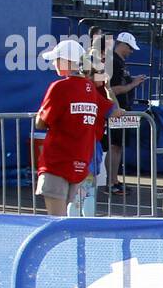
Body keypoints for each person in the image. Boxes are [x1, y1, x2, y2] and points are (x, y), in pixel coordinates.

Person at [34, 39, 114, 216]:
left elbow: (41, 123)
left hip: (57, 161)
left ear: (66, 61)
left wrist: (40, 115)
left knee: (57, 221)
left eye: (57, 59)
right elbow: (112, 109)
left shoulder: (59, 87)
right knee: (69, 216)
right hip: (79, 163)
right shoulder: (90, 88)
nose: (54, 63)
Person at [104, 32, 144, 194]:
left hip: (121, 110)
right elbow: (110, 89)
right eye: (130, 48)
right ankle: (111, 181)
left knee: (118, 146)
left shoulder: (118, 62)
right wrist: (132, 84)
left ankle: (113, 180)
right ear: (123, 45)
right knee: (115, 146)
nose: (131, 52)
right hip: (117, 110)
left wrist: (132, 81)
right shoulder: (114, 62)